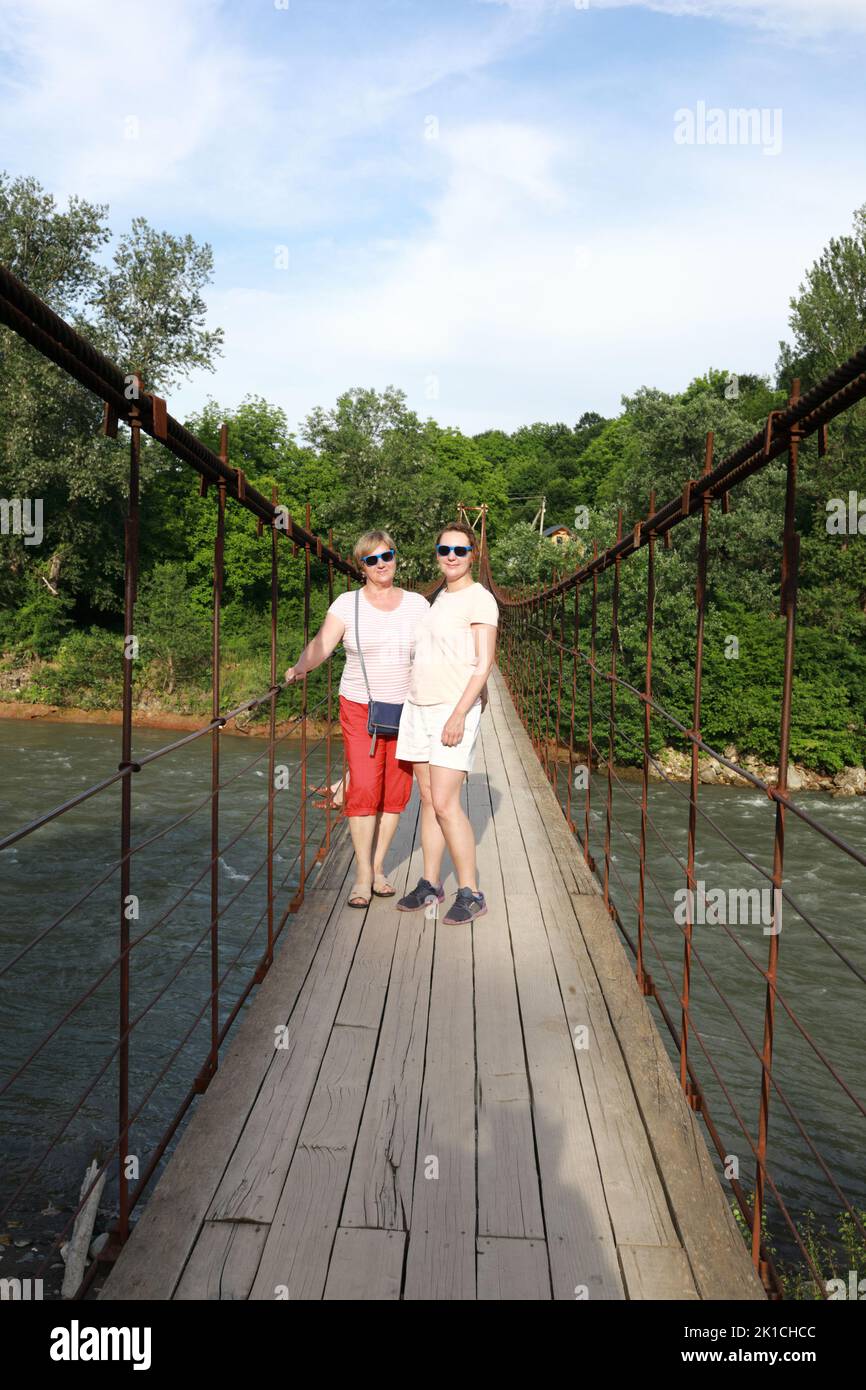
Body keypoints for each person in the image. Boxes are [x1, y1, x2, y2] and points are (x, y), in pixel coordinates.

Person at [285, 530, 428, 908]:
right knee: (364, 788)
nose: (382, 565)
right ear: (361, 565)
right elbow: (322, 644)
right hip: (360, 708)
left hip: (408, 708)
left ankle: (379, 868)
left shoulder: (418, 605)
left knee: (396, 793)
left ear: (397, 558)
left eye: (388, 556)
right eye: (372, 559)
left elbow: (437, 652)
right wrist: (300, 666)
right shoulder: (347, 605)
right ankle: (363, 873)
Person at [395, 522, 498, 924]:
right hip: (418, 707)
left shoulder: (480, 599)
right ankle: (430, 883)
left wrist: (459, 713)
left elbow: (484, 662)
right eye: (444, 550)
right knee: (427, 799)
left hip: (451, 711)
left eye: (459, 550)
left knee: (445, 802)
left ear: (473, 555)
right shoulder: (436, 599)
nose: (451, 556)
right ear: (436, 554)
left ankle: (471, 893)